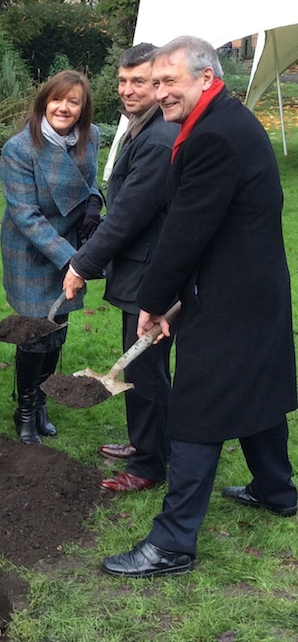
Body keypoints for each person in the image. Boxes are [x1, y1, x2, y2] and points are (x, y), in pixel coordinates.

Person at [102, 36, 297, 579]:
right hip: (253, 288)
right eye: (155, 81)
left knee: (195, 413)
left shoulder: (213, 137)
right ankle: (277, 491)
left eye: (171, 82)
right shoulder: (227, 120)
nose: (160, 92)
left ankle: (172, 543)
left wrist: (153, 302)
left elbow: (186, 234)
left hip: (230, 297)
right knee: (257, 385)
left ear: (206, 78)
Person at [63, 44, 178, 490]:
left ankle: (150, 464)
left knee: (146, 367)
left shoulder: (159, 138)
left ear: (159, 84)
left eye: (140, 82)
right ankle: (144, 441)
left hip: (151, 269)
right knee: (138, 364)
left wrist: (81, 264)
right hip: (139, 265)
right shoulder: (142, 127)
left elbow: (130, 214)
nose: (128, 90)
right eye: (123, 82)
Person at [0, 70, 102, 445]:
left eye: (74, 102)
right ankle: (24, 410)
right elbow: (25, 214)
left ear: (82, 109)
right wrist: (72, 259)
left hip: (70, 243)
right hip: (30, 250)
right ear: (45, 102)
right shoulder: (20, 149)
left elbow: (91, 181)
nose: (64, 107)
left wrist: (94, 200)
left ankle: (40, 402)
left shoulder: (90, 141)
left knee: (58, 328)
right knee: (34, 333)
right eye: (58, 99)